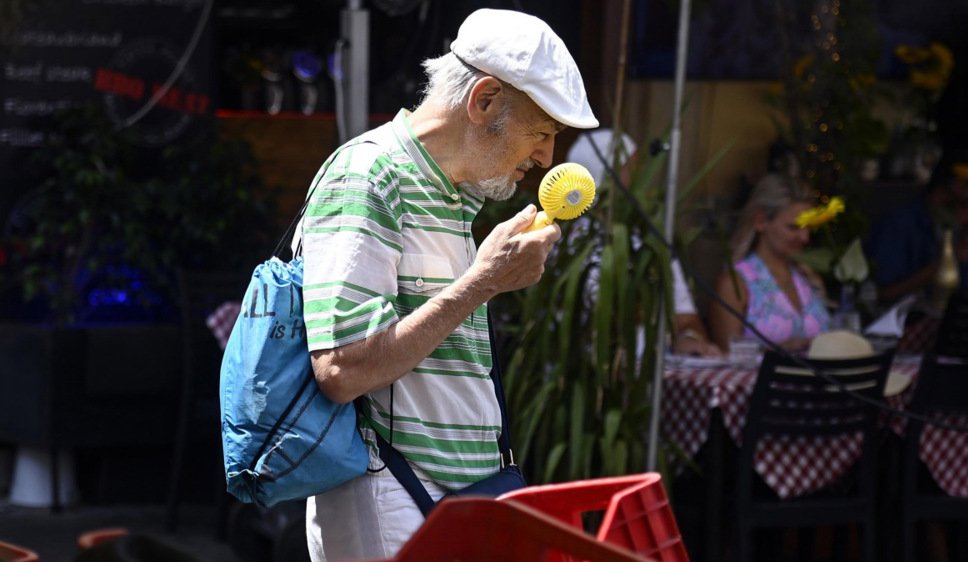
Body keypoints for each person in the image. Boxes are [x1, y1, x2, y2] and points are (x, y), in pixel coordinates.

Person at [291, 9, 598, 561]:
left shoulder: (458, 193)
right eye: (542, 131)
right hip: (391, 499)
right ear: (483, 100)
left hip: (453, 500)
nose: (548, 157)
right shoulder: (369, 173)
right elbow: (341, 370)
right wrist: (482, 283)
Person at [567, 129, 722, 357]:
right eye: (630, 167)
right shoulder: (564, 244)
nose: (640, 177)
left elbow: (686, 318)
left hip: (652, 382)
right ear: (601, 175)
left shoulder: (650, 243)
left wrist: (689, 340)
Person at [708, 173, 831, 352]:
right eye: (793, 227)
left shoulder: (807, 277)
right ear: (760, 222)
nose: (805, 237)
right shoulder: (735, 283)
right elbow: (728, 356)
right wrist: (779, 351)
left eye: (809, 228)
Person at [865, 155, 968, 303]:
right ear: (939, 195)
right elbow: (882, 294)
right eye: (965, 205)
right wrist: (946, 263)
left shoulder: (961, 234)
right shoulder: (899, 225)